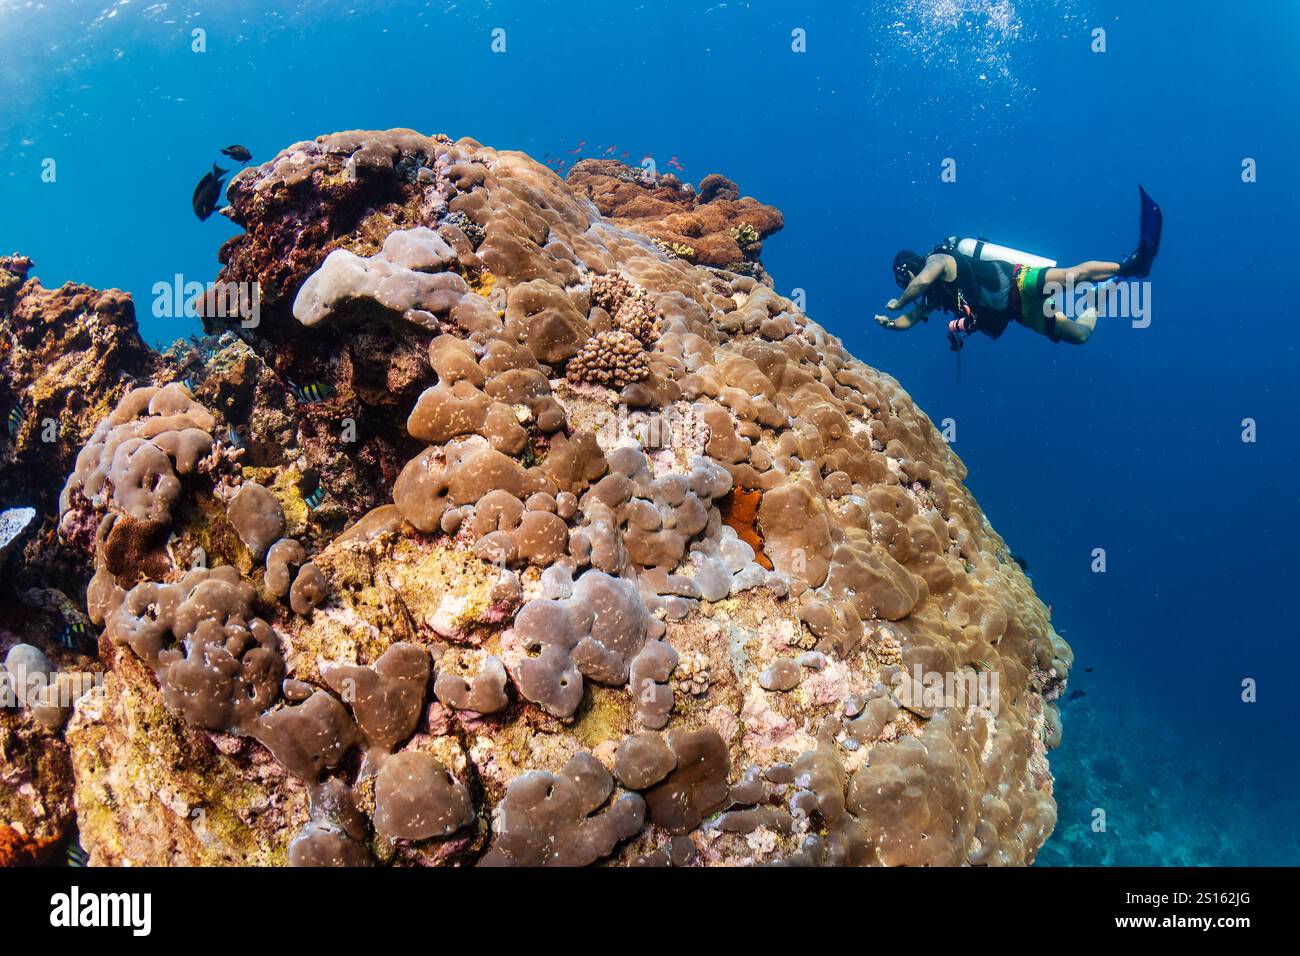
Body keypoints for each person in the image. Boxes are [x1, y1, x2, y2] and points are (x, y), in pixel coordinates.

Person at [876, 187, 1162, 346]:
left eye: (904, 278)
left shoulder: (937, 260)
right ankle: (1098, 300)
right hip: (1017, 310)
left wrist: (898, 302)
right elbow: (912, 318)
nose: (905, 284)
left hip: (1017, 281)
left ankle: (1130, 265)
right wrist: (891, 324)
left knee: (1073, 275)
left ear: (910, 267)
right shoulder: (936, 295)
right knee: (1079, 335)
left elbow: (921, 282)